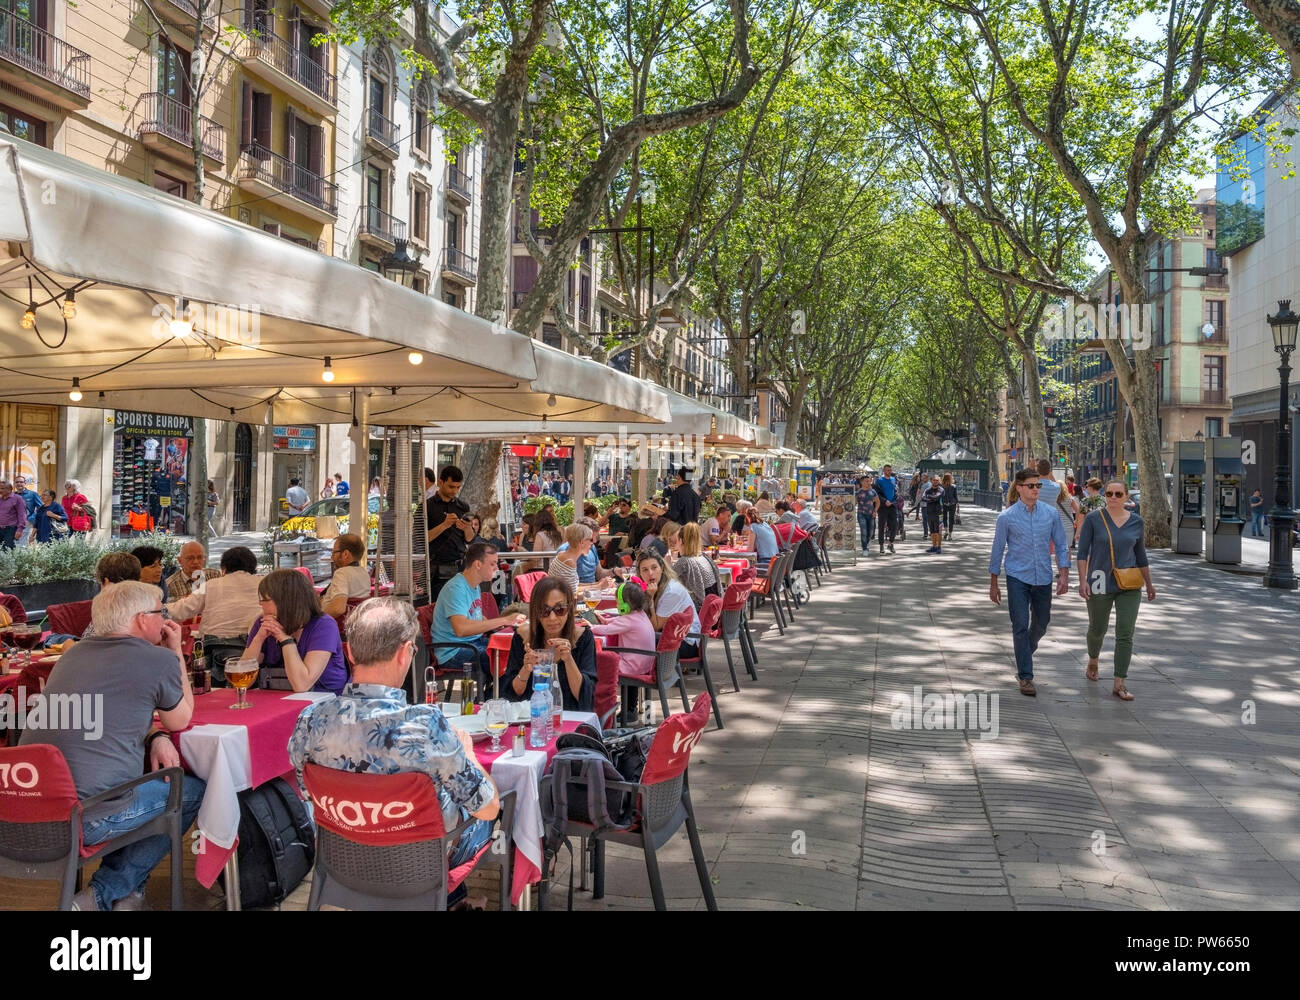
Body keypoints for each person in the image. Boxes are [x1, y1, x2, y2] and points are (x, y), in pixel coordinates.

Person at [288, 598, 499, 909]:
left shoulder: (310, 721)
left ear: (349, 652)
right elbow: (487, 809)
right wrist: (468, 756)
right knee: (491, 806)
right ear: (404, 653)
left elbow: (308, 793)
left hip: (345, 864)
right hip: (418, 871)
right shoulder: (426, 726)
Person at [22, 581, 202, 911]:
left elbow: (111, 713)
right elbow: (181, 720)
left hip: (23, 813)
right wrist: (175, 650)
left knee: (134, 787)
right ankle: (103, 896)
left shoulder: (71, 655)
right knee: (188, 789)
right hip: (81, 821)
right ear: (140, 619)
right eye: (160, 611)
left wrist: (154, 736)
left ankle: (130, 895)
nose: (165, 619)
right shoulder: (157, 659)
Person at [988, 467, 1071, 697]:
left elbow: (1062, 544)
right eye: (1032, 486)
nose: (1036, 489)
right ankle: (1026, 676)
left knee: (1041, 623)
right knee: (1020, 624)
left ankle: (1025, 652)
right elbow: (997, 549)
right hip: (1017, 577)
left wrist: (1064, 573)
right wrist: (993, 582)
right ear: (1020, 488)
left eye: (1038, 485)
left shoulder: (1051, 513)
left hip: (1043, 576)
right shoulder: (1007, 517)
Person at [1077, 479, 1156, 702]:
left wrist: (1149, 583)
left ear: (1126, 496)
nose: (1112, 497)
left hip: (1130, 583)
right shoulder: (1094, 519)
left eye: (1118, 494)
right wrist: (1083, 581)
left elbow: (1141, 555)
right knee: (1097, 628)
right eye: (1109, 493)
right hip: (1099, 580)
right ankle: (1093, 658)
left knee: (1125, 632)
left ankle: (1119, 682)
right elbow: (1082, 553)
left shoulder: (1137, 522)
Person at [432, 542, 526, 697]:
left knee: (515, 648)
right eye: (493, 564)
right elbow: (461, 629)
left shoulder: (473, 585)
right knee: (508, 658)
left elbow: (477, 617)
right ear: (477, 564)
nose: (496, 568)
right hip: (453, 651)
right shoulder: (456, 588)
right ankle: (496, 698)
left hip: (471, 643)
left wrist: (504, 627)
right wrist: (503, 621)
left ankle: (495, 696)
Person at [243, 568, 348, 695]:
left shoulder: (323, 625)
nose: (260, 604)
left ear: (285, 600)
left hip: (323, 704)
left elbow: (302, 685)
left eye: (264, 599)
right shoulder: (264, 623)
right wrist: (258, 639)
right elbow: (244, 681)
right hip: (275, 702)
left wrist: (285, 640)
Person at [165, 545, 262, 680]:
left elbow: (181, 610)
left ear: (224, 568)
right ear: (253, 567)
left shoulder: (211, 585)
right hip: (256, 649)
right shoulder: (264, 584)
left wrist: (155, 609)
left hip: (214, 649)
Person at [501, 577, 597, 711]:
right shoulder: (523, 637)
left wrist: (569, 660)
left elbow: (585, 698)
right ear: (535, 611)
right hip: (532, 719)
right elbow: (511, 694)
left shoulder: (582, 638)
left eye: (559, 609)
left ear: (569, 609)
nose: (552, 618)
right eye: (544, 610)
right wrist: (526, 669)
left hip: (571, 719)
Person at [635, 551, 700, 658]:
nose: (650, 573)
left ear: (662, 568)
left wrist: (649, 598)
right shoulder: (654, 586)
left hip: (687, 642)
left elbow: (655, 626)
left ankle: (631, 672)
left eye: (654, 567)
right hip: (673, 635)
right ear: (640, 574)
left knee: (635, 640)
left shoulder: (671, 591)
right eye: (645, 570)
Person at [426, 465, 474, 603]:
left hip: (460, 566)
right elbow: (421, 539)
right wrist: (444, 525)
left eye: (458, 487)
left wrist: (467, 528)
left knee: (461, 605)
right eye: (451, 487)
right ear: (440, 482)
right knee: (438, 606)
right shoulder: (427, 507)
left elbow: (469, 539)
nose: (455, 491)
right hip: (436, 568)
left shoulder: (463, 507)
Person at [319, 533, 372, 618]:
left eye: (334, 553)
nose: (332, 557)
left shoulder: (342, 573)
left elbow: (338, 608)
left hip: (335, 627)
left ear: (345, 554)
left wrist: (317, 621)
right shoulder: (364, 573)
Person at [674, 522, 722, 608]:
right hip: (714, 611)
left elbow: (665, 582)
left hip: (698, 611)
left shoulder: (684, 561)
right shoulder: (705, 557)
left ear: (681, 541)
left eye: (676, 541)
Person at [875, 465, 899, 554]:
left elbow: (896, 491)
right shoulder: (879, 480)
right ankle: (881, 545)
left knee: (895, 525)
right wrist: (885, 501)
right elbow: (877, 493)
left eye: (890, 470)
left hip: (892, 506)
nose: (889, 471)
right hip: (882, 506)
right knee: (881, 526)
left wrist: (893, 501)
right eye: (887, 470)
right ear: (884, 471)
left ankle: (890, 543)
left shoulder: (893, 479)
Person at [11, 474, 37, 547]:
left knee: (24, 545)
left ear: (25, 483)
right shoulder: (12, 495)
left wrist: (31, 518)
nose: (19, 483)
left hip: (27, 523)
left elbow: (41, 508)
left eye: (21, 482)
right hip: (13, 523)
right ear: (14, 484)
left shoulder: (33, 494)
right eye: (17, 482)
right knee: (14, 544)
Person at [921, 475, 945, 554]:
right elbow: (923, 498)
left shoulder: (941, 490)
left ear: (939, 481)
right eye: (934, 480)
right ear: (931, 481)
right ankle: (934, 546)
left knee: (939, 531)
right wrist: (932, 498)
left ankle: (939, 547)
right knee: (932, 531)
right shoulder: (927, 490)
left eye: (937, 480)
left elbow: (937, 497)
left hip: (939, 513)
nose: (935, 481)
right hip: (929, 512)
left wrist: (929, 498)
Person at [855, 475, 878, 555]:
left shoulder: (873, 492)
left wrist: (875, 511)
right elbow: (854, 503)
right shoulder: (858, 492)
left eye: (869, 481)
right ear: (862, 482)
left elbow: (877, 502)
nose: (869, 483)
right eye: (866, 481)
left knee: (870, 532)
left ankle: (867, 543)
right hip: (861, 514)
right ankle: (864, 548)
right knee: (863, 531)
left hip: (871, 514)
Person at [0, 480, 26, 549]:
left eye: (2, 488)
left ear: (9, 489)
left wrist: (20, 530)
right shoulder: (0, 499)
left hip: (11, 529)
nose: (0, 490)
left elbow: (22, 515)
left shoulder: (17, 498)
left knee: (7, 551)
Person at [940, 473, 959, 541]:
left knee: (944, 518)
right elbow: (955, 496)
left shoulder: (941, 486)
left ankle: (946, 531)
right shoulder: (954, 486)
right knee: (951, 519)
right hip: (952, 504)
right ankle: (950, 535)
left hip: (944, 504)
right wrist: (958, 504)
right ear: (951, 478)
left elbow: (940, 496)